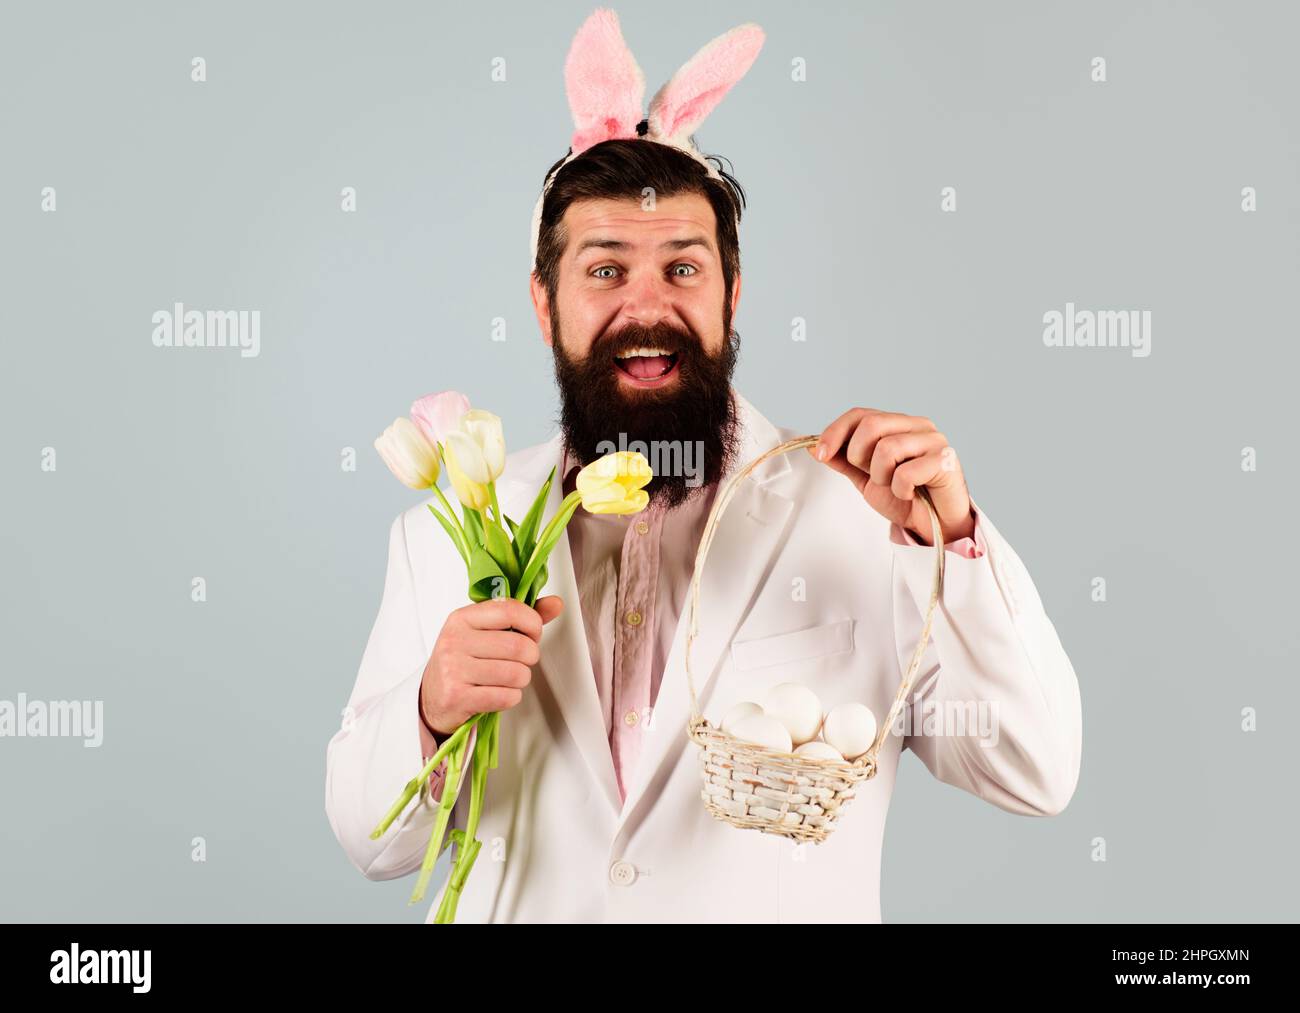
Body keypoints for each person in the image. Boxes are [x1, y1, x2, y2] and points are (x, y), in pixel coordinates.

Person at [325, 10, 1081, 923]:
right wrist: (430, 712)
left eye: (683, 269)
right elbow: (372, 840)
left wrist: (952, 540)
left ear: (733, 292)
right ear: (542, 302)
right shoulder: (439, 540)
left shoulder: (864, 516)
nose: (647, 308)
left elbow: (1035, 768)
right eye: (605, 271)